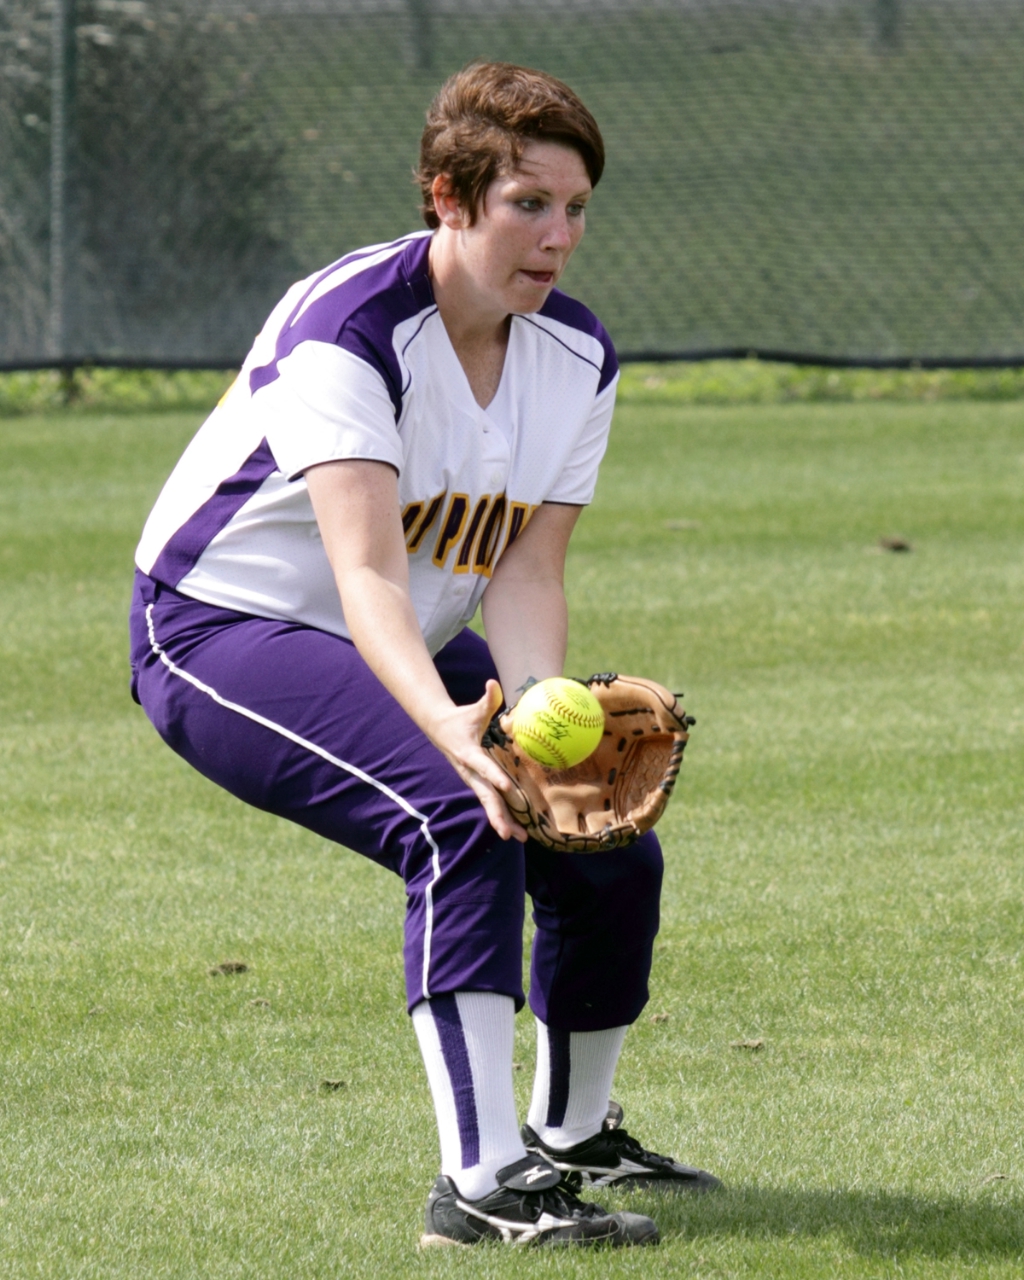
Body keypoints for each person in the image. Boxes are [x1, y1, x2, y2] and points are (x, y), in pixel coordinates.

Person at [129, 61, 720, 1248]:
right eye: (527, 204)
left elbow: (522, 568)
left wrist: (546, 704)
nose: (558, 236)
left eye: (576, 207)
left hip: (398, 632)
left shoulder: (576, 355)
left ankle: (571, 1135)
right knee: (459, 812)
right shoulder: (346, 329)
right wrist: (456, 733)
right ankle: (481, 1184)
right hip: (220, 628)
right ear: (447, 199)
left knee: (595, 836)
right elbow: (366, 577)